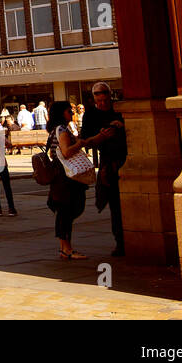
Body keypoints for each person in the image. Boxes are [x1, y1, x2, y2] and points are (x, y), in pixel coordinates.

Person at [80, 81, 127, 256]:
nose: (102, 104)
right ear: (94, 100)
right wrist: (100, 136)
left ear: (110, 96)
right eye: (99, 101)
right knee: (115, 204)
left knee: (125, 204)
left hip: (124, 157)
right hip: (108, 161)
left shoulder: (119, 109)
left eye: (105, 101)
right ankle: (120, 242)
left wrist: (121, 127)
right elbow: (85, 140)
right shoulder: (90, 114)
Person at [46, 101, 89, 259]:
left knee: (65, 211)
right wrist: (80, 144)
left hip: (60, 177)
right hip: (67, 178)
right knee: (69, 210)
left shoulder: (53, 130)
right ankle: (67, 248)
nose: (71, 113)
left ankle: (64, 248)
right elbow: (65, 152)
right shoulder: (62, 130)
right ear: (61, 113)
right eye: (68, 110)